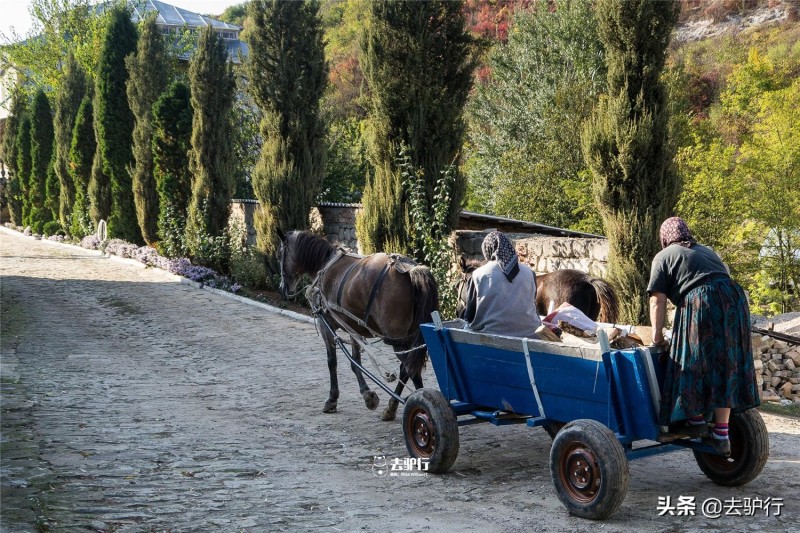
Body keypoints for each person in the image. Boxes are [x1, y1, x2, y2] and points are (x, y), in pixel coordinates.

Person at [648, 217, 760, 456]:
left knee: (690, 359)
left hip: (702, 301)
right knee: (725, 364)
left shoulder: (664, 256)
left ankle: (696, 420)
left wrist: (656, 337)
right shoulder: (706, 250)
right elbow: (724, 276)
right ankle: (721, 434)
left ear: (665, 237)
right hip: (734, 299)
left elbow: (657, 299)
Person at [463, 231, 542, 338]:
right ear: (509, 248)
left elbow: (469, 316)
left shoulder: (477, 275)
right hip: (530, 336)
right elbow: (532, 305)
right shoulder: (530, 273)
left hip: (491, 338)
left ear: (487, 250)